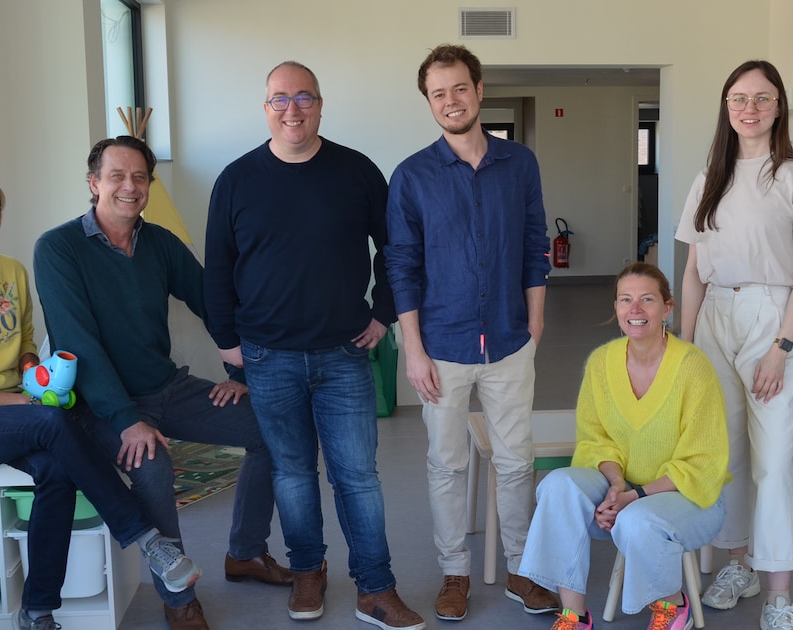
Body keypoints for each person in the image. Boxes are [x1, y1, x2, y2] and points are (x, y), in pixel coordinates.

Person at [0, 173, 201, 630]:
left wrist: (34, 373)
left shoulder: (12, 272)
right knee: (54, 424)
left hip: (10, 414)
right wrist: (22, 405)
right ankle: (146, 539)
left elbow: (22, 341)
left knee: (58, 471)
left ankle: (38, 611)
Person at [33, 137, 288, 630]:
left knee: (271, 429)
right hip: (99, 406)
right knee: (152, 469)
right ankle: (177, 596)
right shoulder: (59, 248)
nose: (129, 187)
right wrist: (127, 420)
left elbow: (215, 305)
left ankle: (245, 553)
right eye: (116, 176)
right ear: (93, 183)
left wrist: (239, 374)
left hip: (167, 388)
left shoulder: (161, 244)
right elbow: (77, 342)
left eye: (140, 177)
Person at [203, 60, 424, 630]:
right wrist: (228, 343)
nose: (292, 109)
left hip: (344, 354)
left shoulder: (356, 172)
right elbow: (219, 267)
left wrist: (383, 316)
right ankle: (308, 571)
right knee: (293, 474)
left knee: (358, 477)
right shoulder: (236, 179)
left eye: (304, 97)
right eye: (280, 98)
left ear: (321, 104)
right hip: (268, 357)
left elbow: (395, 249)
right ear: (266, 107)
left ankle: (375, 587)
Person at [386, 43, 559, 622]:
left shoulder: (521, 164)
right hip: (441, 346)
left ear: (480, 90)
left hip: (511, 339)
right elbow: (401, 266)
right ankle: (454, 571)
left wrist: (535, 318)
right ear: (429, 102)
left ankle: (521, 569)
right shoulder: (411, 176)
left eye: (460, 87)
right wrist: (412, 349)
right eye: (439, 93)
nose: (451, 100)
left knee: (516, 460)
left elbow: (536, 243)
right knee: (447, 464)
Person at [675, 59, 793, 630]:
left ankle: (777, 595)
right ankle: (737, 565)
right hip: (716, 312)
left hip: (772, 314)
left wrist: (781, 346)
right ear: (726, 107)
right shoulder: (707, 178)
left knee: (772, 462)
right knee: (726, 458)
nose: (749, 108)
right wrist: (686, 346)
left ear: (778, 107)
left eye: (762, 98)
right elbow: (693, 269)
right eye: (739, 98)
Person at [517, 262, 730, 630]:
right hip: (623, 494)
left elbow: (702, 463)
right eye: (626, 300)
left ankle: (672, 605)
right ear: (615, 308)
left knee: (637, 519)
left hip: (691, 499)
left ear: (667, 308)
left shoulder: (693, 367)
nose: (635, 310)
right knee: (557, 485)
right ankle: (574, 614)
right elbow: (595, 439)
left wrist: (636, 495)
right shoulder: (602, 362)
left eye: (647, 300)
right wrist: (617, 486)